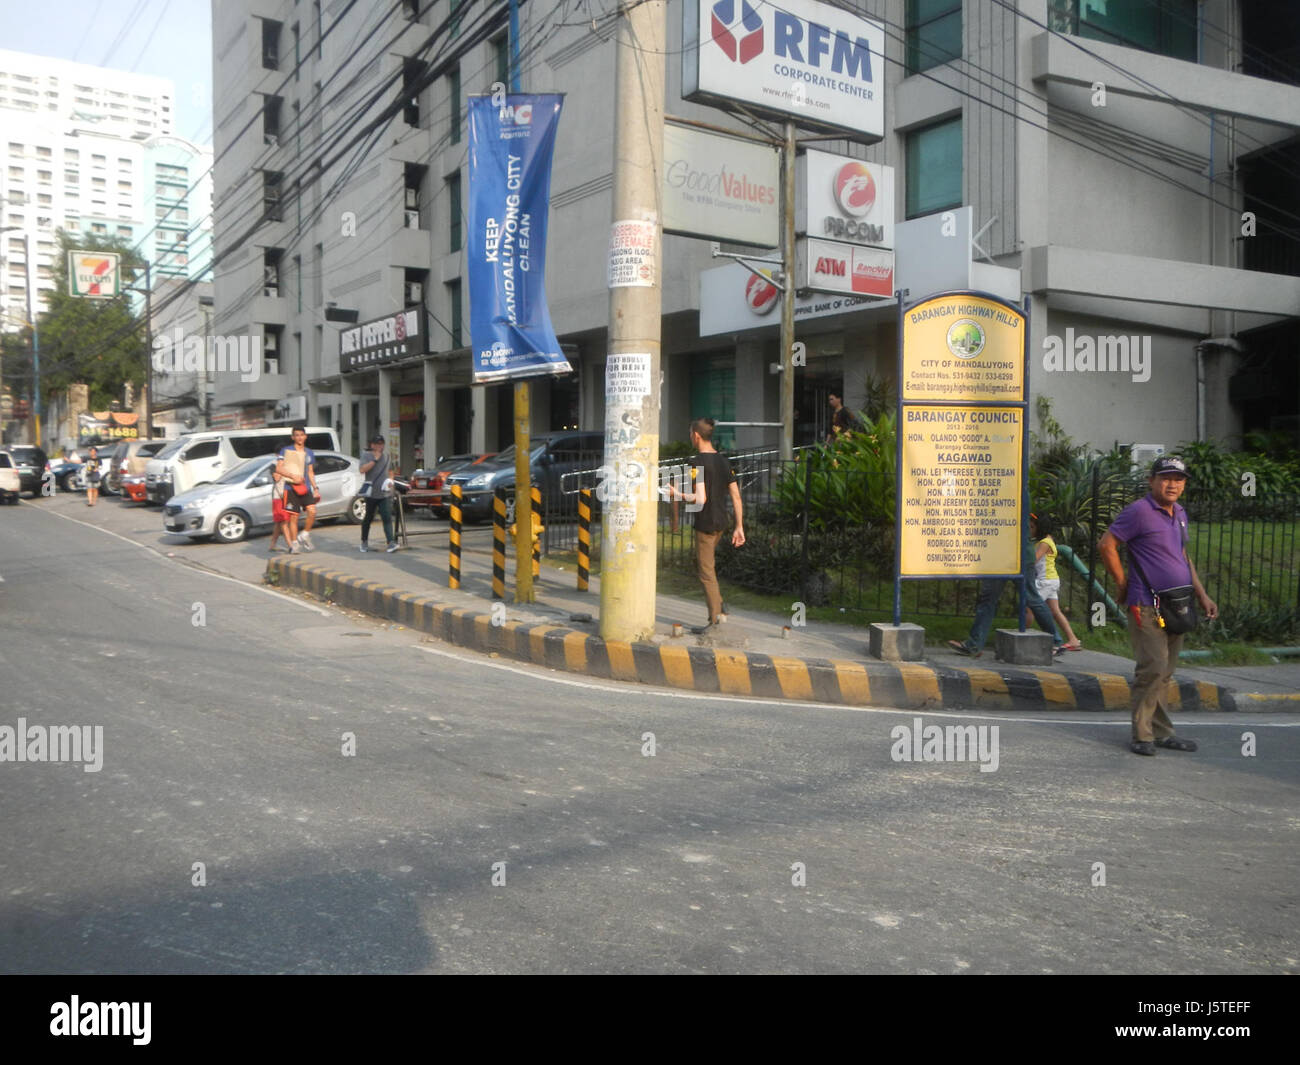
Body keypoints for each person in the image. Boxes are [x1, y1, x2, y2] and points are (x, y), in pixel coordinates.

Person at [1098, 456, 1218, 757]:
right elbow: (1106, 544)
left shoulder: (1180, 512)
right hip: (1146, 604)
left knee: (1165, 671)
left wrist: (1202, 594)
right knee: (1152, 668)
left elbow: (1182, 555)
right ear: (1151, 481)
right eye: (1165, 478)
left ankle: (1162, 732)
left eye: (1178, 479)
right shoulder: (1139, 511)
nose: (1172, 484)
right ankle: (1142, 735)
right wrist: (1122, 583)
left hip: (1177, 603)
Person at [949, 506, 1065, 658]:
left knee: (1028, 598)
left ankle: (1056, 640)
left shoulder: (1008, 502)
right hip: (1005, 555)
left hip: (1015, 555)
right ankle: (974, 644)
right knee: (993, 598)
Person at [665, 417, 745, 634]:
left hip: (706, 524)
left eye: (690, 434)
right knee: (706, 566)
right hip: (722, 522)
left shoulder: (697, 462)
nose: (690, 437)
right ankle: (720, 605)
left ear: (696, 436)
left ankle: (715, 620)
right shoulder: (723, 461)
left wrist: (677, 494)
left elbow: (700, 498)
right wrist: (739, 526)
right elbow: (736, 496)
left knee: (706, 573)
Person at [1023, 513, 1082, 650]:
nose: (1030, 530)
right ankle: (1073, 639)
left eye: (1032, 527)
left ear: (1040, 528)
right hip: (1051, 580)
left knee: (1029, 607)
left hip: (1045, 580)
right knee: (1055, 611)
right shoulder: (1048, 539)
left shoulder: (1044, 543)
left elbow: (1033, 560)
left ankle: (1023, 636)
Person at [275, 426, 319, 551]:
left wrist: (315, 488)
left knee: (312, 511)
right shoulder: (286, 450)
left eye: (302, 435)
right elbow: (278, 468)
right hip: (290, 488)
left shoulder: (309, 452)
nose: (299, 437)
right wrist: (292, 476)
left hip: (305, 488)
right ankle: (294, 544)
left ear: (305, 436)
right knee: (294, 517)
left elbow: (310, 472)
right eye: (297, 435)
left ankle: (305, 534)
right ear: (293, 437)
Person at [358, 435, 398, 553]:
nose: (380, 446)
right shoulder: (366, 455)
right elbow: (362, 470)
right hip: (371, 493)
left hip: (384, 493)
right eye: (377, 444)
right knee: (368, 518)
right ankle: (364, 542)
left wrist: (390, 481)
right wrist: (374, 460)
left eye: (381, 443)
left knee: (386, 517)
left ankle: (390, 542)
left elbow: (391, 471)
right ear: (372, 445)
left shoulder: (387, 456)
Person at [267, 469, 291, 553]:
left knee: (278, 524)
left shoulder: (285, 475)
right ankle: (290, 545)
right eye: (274, 474)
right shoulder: (281, 475)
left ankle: (272, 545)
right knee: (284, 523)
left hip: (282, 500)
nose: (275, 476)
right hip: (278, 501)